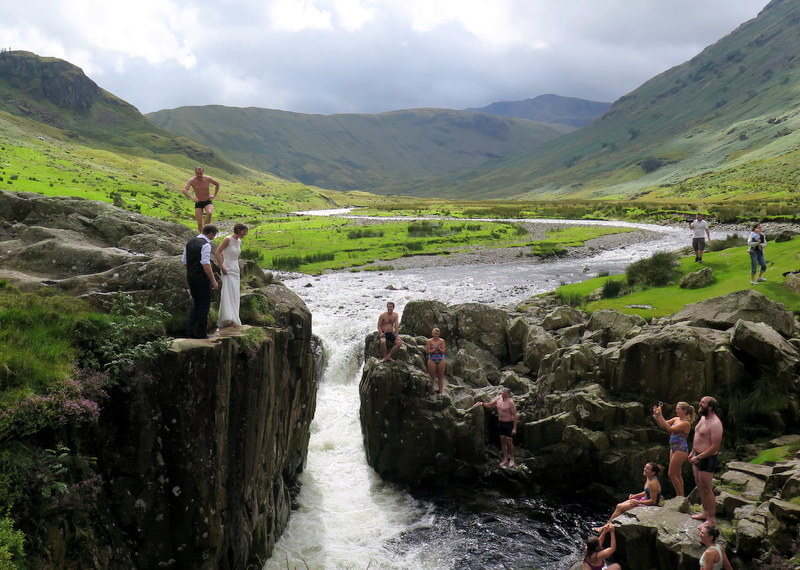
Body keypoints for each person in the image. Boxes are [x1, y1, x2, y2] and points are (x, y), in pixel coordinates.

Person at [689, 396, 724, 528]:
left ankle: (711, 518)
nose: (699, 403)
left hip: (707, 458)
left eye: (702, 403)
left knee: (707, 488)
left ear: (710, 407)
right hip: (697, 455)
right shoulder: (703, 418)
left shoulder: (716, 423)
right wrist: (693, 451)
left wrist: (699, 457)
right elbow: (697, 435)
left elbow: (715, 447)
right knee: (699, 485)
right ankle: (705, 512)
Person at [182, 224, 219, 339]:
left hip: (191, 275)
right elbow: (205, 263)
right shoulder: (206, 245)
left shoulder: (189, 243)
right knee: (204, 304)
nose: (213, 238)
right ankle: (201, 333)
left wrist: (192, 271)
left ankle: (191, 330)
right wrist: (213, 280)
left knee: (196, 303)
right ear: (211, 233)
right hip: (202, 277)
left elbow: (184, 261)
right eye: (214, 235)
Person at [653, 401, 696, 497]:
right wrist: (657, 416)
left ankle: (679, 496)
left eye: (678, 409)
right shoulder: (676, 419)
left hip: (681, 449)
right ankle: (681, 496)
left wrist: (661, 415)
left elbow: (670, 429)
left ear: (685, 411)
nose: (676, 410)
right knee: (678, 474)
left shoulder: (686, 423)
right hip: (673, 448)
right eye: (676, 408)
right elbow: (662, 425)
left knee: (671, 474)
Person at [215, 223, 248, 329]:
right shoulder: (227, 239)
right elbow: (217, 252)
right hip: (227, 267)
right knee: (227, 292)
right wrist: (221, 267)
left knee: (235, 293)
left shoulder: (239, 241)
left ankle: (234, 318)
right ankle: (227, 319)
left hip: (235, 267)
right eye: (244, 231)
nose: (245, 234)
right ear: (238, 230)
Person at [481, 387, 518, 467]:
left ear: (508, 394)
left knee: (509, 441)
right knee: (502, 440)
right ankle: (505, 458)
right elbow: (490, 405)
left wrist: (514, 428)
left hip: (509, 423)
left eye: (504, 393)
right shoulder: (498, 399)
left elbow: (515, 416)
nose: (502, 394)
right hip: (501, 422)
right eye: (502, 392)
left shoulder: (510, 402)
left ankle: (512, 459)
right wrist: (482, 404)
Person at [182, 166, 221, 233]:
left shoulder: (208, 179)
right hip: (198, 202)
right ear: (195, 173)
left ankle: (206, 229)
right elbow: (184, 190)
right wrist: (192, 197)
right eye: (198, 173)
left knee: (209, 213)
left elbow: (217, 184)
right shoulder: (192, 180)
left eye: (200, 173)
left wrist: (214, 195)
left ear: (203, 172)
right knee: (199, 222)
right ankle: (201, 235)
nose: (199, 175)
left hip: (207, 201)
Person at [425, 327, 447, 394]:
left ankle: (440, 392)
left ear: (439, 334)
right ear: (432, 333)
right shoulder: (429, 341)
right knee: (432, 377)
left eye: (437, 334)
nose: (435, 335)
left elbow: (443, 351)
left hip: (441, 359)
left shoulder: (442, 341)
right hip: (432, 359)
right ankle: (431, 391)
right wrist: (434, 350)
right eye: (434, 334)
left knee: (441, 377)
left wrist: (439, 349)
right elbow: (428, 351)